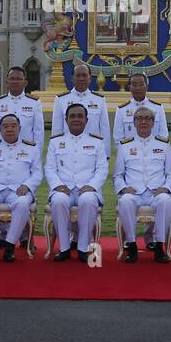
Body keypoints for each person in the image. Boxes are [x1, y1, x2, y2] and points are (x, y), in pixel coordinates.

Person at [44, 103, 107, 262]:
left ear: (86, 120)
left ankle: (83, 248)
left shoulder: (97, 142)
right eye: (72, 116)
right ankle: (64, 248)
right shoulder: (56, 142)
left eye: (80, 116)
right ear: (66, 119)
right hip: (63, 188)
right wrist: (58, 186)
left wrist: (91, 186)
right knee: (58, 201)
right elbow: (50, 168)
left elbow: (102, 169)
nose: (76, 119)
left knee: (88, 200)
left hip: (87, 188)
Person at [114, 106, 171, 264]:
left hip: (156, 191)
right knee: (125, 200)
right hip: (134, 192)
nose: (143, 122)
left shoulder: (163, 144)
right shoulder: (125, 145)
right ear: (133, 123)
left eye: (147, 119)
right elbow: (118, 175)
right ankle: (132, 245)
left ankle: (159, 246)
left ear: (153, 123)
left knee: (165, 201)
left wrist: (166, 188)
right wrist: (123, 188)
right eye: (139, 119)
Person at [0, 114, 42, 262]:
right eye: (5, 126)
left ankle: (10, 246)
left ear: (19, 128)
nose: (9, 129)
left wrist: (27, 185)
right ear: (0, 129)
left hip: (19, 189)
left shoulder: (31, 148)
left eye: (13, 126)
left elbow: (37, 173)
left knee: (22, 203)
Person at [50, 62, 109, 150]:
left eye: (84, 75)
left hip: (92, 150)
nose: (81, 78)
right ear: (72, 79)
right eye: (78, 75)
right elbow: (57, 129)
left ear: (90, 78)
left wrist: (106, 155)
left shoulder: (99, 100)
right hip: (68, 149)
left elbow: (104, 129)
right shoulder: (61, 99)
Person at [0, 66, 45, 147]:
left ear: (25, 83)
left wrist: (36, 155)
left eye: (19, 79)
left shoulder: (34, 103)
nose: (15, 82)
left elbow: (38, 132)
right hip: (2, 151)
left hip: (26, 152)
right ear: (6, 82)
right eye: (12, 79)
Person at [112, 72, 168, 143]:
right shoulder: (121, 110)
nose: (138, 88)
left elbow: (163, 135)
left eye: (141, 84)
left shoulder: (158, 108)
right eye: (134, 85)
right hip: (130, 152)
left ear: (147, 87)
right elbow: (118, 139)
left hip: (153, 152)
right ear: (130, 88)